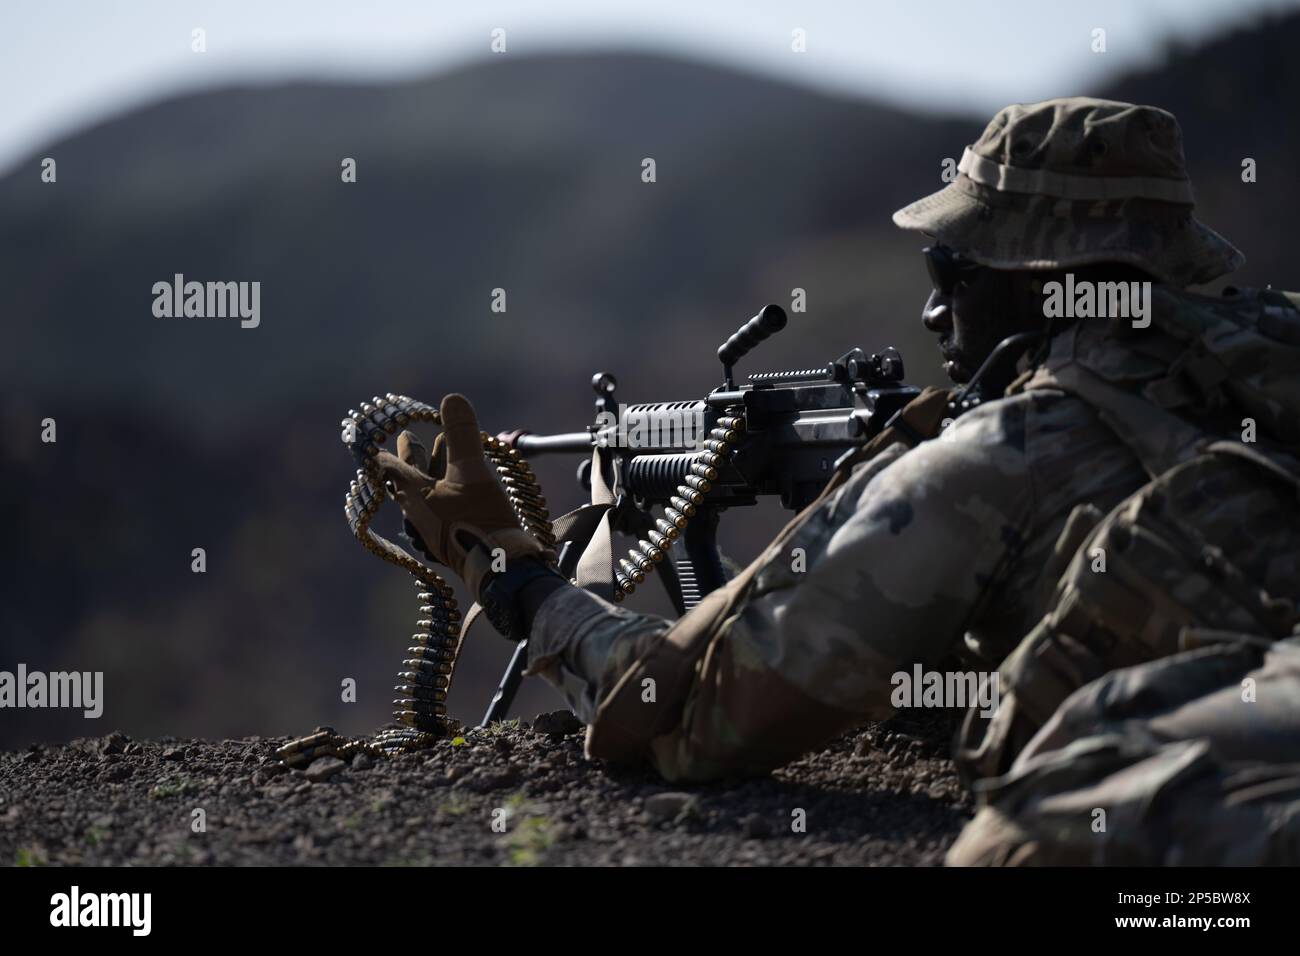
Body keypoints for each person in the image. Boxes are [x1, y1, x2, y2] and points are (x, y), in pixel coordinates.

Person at [376, 98, 1300, 864]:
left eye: (954, 269)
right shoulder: (1268, 356)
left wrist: (516, 577)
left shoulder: (999, 458)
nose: (934, 310)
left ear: (1040, 277)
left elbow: (686, 722)